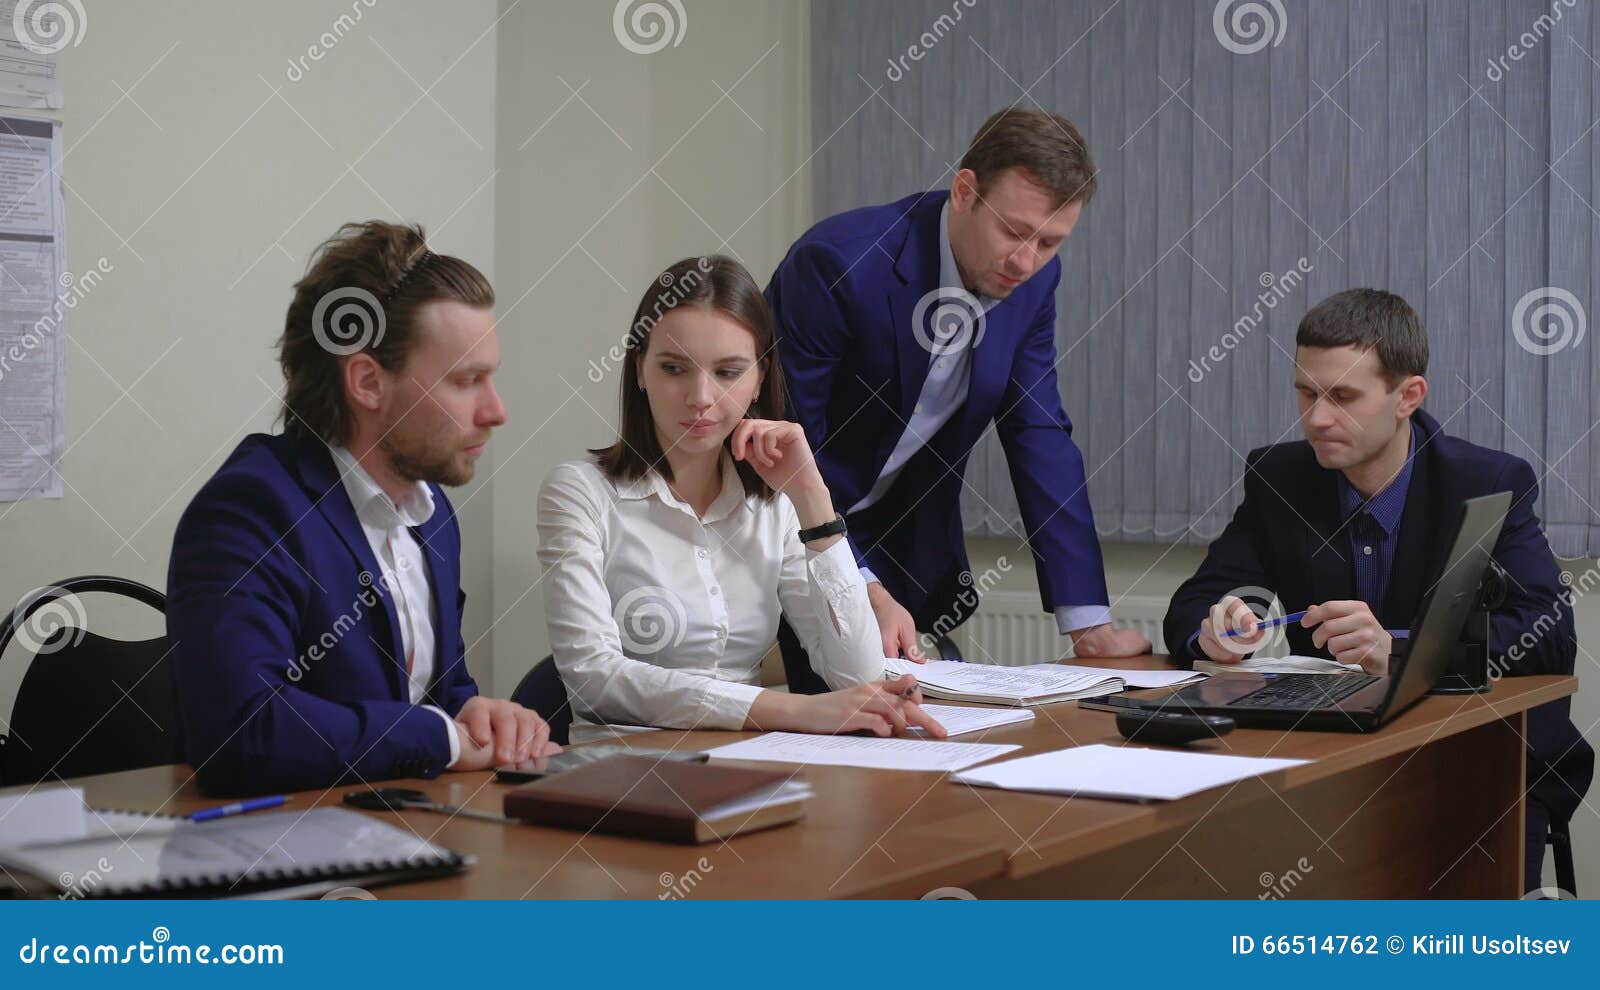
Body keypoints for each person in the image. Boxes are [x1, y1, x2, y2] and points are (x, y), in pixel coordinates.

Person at [1161, 288, 1594, 892]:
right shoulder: (1280, 476)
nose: (1317, 419)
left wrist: (1399, 651)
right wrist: (1216, 630)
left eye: (1342, 397)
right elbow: (1191, 606)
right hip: (1329, 755)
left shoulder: (1488, 481)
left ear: (1407, 397)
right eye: (1306, 393)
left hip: (1476, 757)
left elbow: (1548, 634)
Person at [168, 220, 558, 796]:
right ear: (368, 382)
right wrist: (443, 737)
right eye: (466, 381)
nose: (495, 411)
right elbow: (242, 736)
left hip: (406, 823)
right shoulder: (249, 511)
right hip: (283, 842)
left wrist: (476, 714)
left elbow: (437, 697)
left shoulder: (431, 513)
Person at [765, 106, 1148, 690]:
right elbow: (788, 444)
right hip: (785, 526)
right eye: (1014, 232)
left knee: (915, 723)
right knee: (824, 720)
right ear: (965, 191)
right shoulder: (840, 263)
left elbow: (1038, 432)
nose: (1026, 261)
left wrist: (1087, 622)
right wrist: (855, 580)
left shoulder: (1034, 281)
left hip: (901, 540)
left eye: (1050, 242)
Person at [537, 255, 945, 741]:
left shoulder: (775, 505)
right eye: (674, 368)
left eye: (728, 372)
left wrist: (812, 497)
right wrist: (794, 710)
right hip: (625, 766)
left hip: (755, 758)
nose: (700, 397)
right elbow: (595, 680)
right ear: (639, 369)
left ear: (759, 379)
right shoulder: (579, 492)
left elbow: (858, 677)